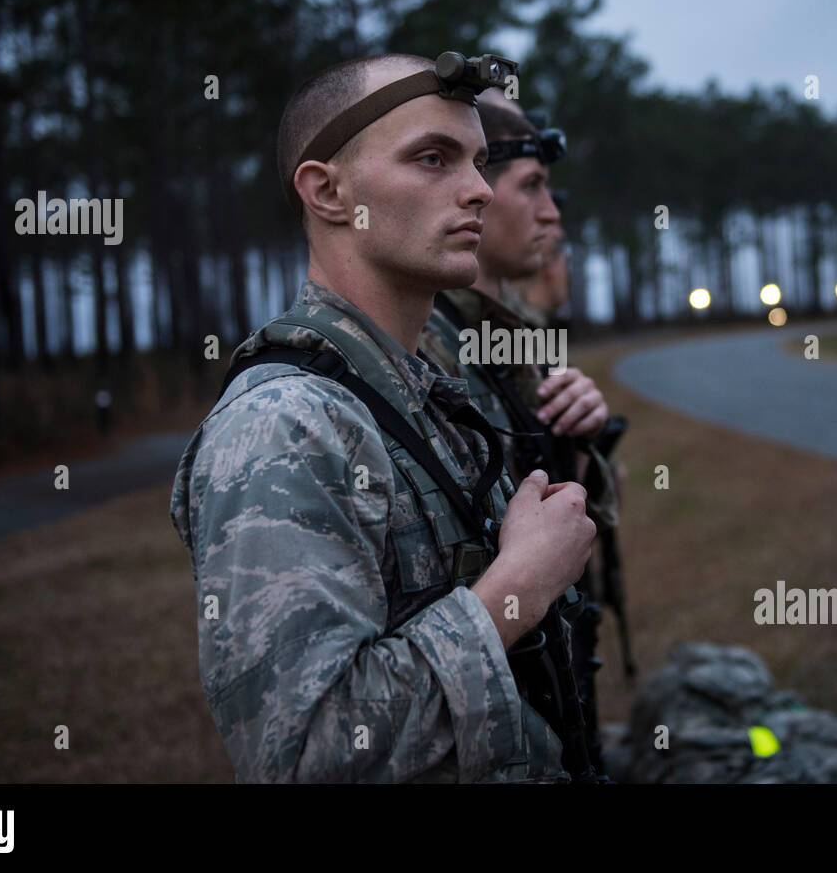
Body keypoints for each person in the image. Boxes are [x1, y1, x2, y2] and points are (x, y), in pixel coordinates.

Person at [169, 51, 597, 783]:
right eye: (433, 159)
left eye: (480, 162)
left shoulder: (425, 393)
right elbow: (311, 756)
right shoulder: (285, 424)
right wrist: (517, 587)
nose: (479, 192)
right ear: (327, 192)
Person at [419, 90, 621, 775]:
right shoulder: (422, 338)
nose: (551, 212)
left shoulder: (504, 331)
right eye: (531, 186)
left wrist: (585, 432)